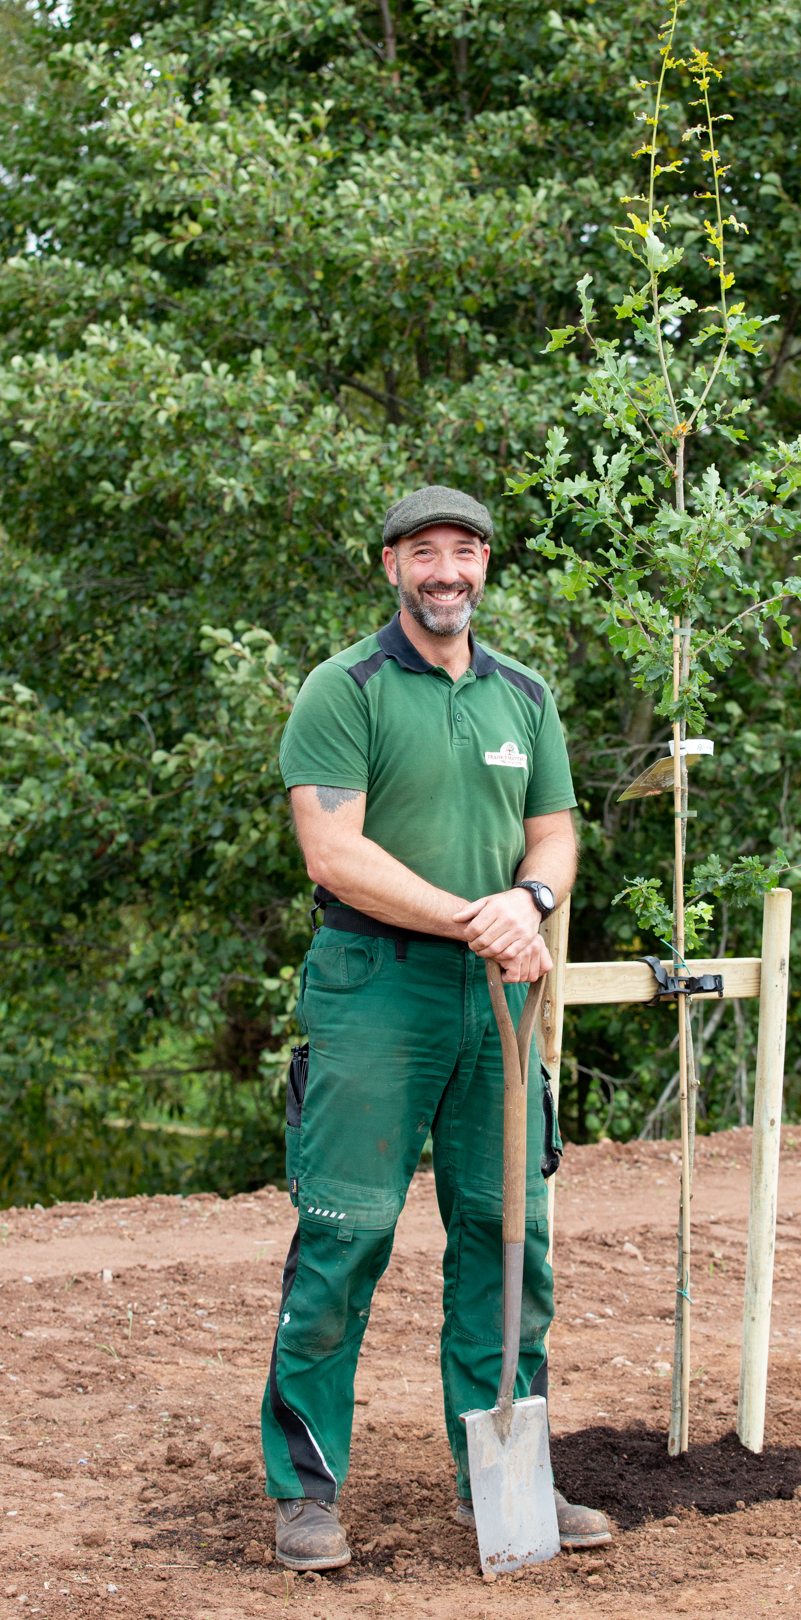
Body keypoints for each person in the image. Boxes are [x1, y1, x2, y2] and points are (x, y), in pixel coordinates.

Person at [262, 484, 611, 1570]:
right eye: (425, 553)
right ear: (392, 567)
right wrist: (479, 917)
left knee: (510, 1241)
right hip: (376, 989)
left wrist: (533, 901)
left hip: (500, 998)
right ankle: (306, 1493)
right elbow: (334, 853)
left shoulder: (525, 696)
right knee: (345, 1234)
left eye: (465, 551)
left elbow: (553, 835)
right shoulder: (345, 689)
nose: (446, 571)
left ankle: (503, 1485)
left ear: (486, 566)